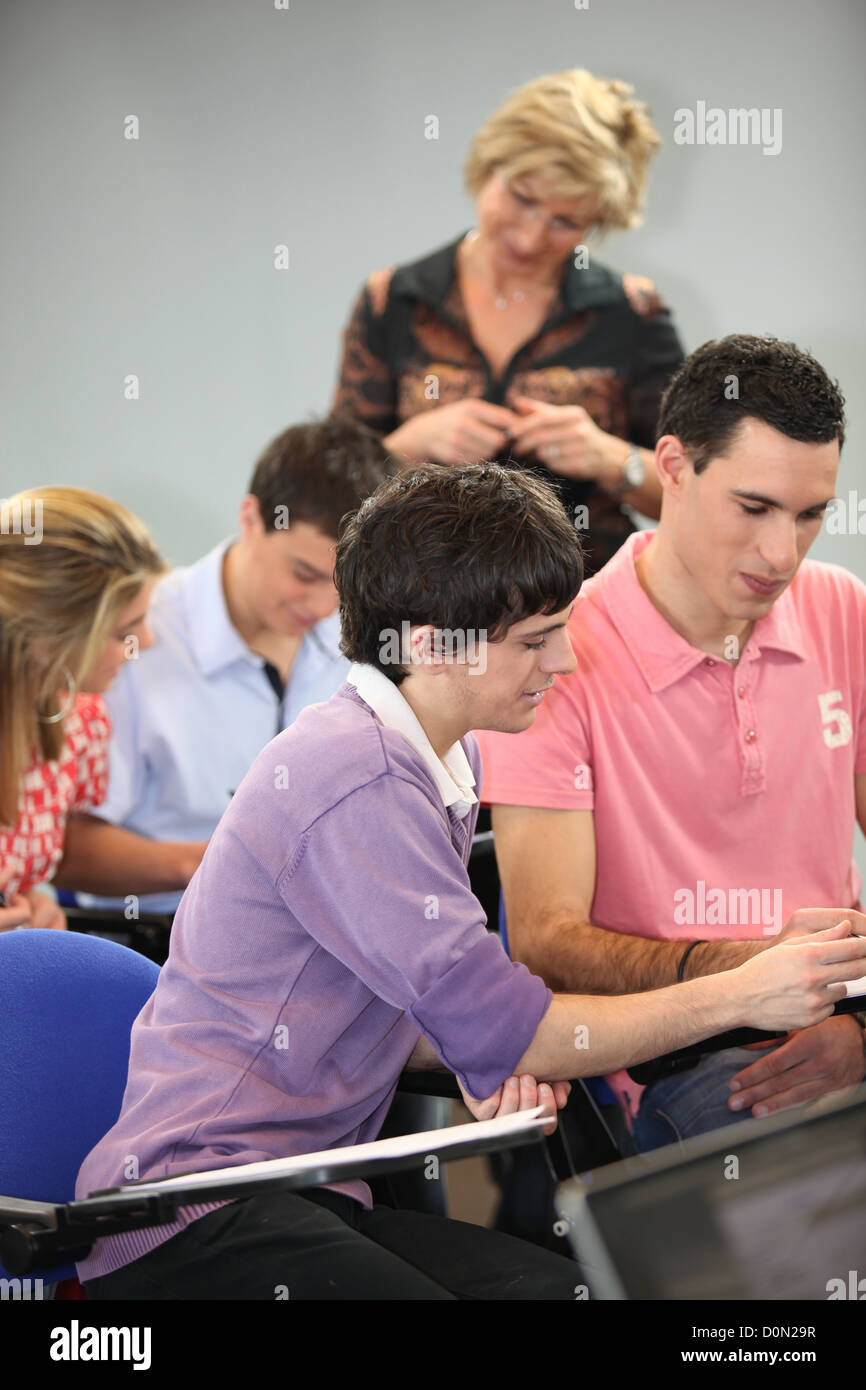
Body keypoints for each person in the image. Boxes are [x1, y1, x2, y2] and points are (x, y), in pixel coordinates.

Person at [75, 463, 865, 1301]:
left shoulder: (440, 755)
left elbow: (433, 1016)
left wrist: (477, 1044)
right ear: (428, 645)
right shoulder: (357, 776)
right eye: (535, 640)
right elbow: (510, 1030)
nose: (564, 658)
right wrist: (743, 993)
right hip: (194, 1212)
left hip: (306, 1189)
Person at [476, 335, 866, 1164]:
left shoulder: (843, 611)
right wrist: (754, 974)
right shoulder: (555, 652)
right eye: (754, 508)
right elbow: (543, 942)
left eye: (810, 515)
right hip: (682, 1057)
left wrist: (858, 1025)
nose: (782, 555)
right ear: (674, 467)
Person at [333, 68, 685, 575]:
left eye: (565, 222)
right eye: (522, 198)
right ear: (487, 166)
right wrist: (409, 446)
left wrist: (611, 459)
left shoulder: (632, 314)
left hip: (581, 616)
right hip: (424, 608)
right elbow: (327, 496)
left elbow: (698, 492)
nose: (530, 237)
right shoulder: (395, 301)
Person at [56, 416, 392, 915]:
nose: (323, 606)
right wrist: (215, 864)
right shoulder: (129, 637)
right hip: (156, 946)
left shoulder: (366, 641)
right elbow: (61, 847)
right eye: (303, 573)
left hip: (317, 944)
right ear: (251, 518)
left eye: (341, 584)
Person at [0, 487, 164, 932]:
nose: (146, 642)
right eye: (125, 631)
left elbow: (23, 878)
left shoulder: (79, 720)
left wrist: (36, 902)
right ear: (47, 642)